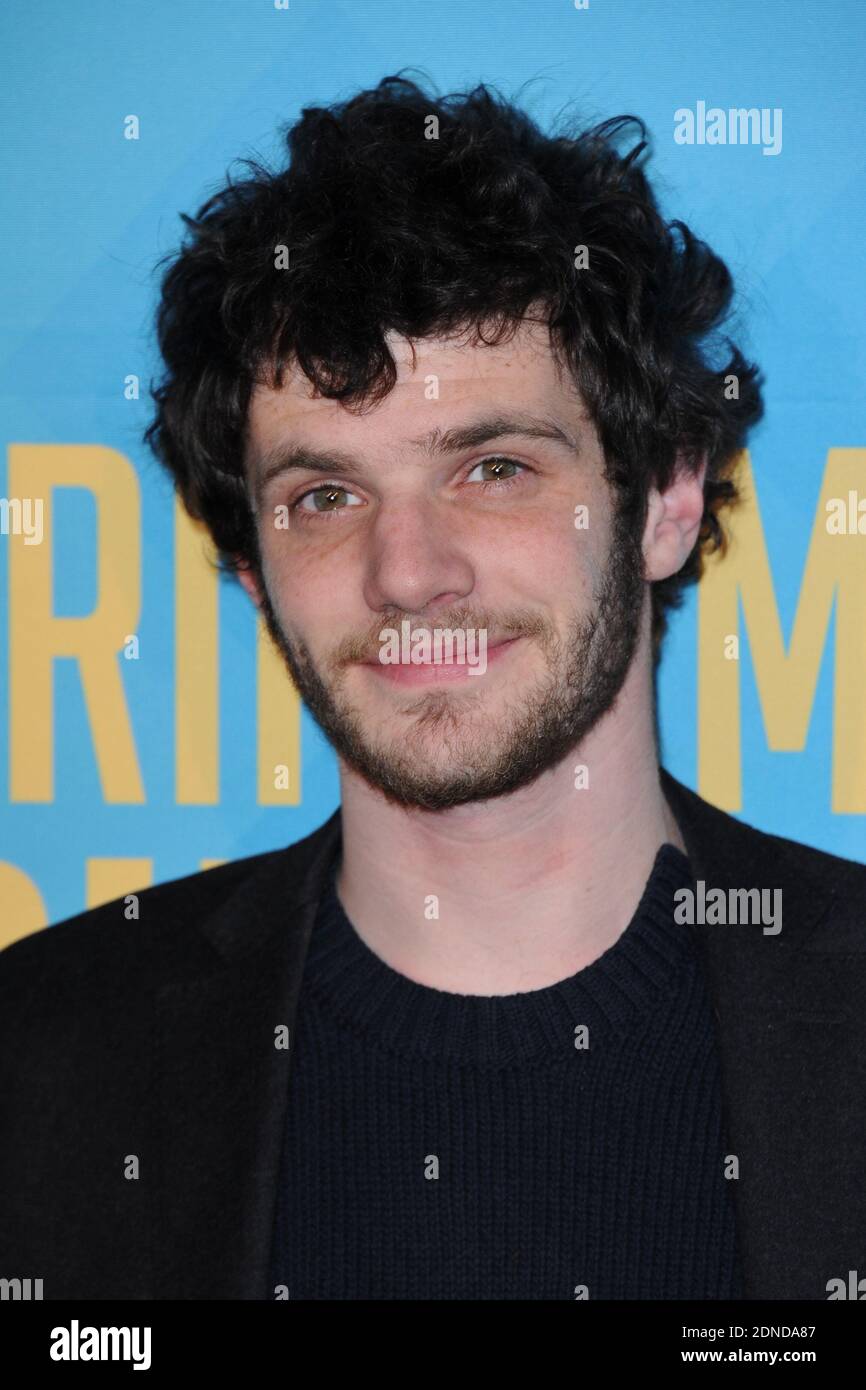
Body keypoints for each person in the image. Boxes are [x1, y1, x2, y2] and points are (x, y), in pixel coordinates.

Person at [2, 74, 864, 1302]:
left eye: (494, 466)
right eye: (324, 497)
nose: (406, 573)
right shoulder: (46, 1059)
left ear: (664, 499)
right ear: (251, 567)